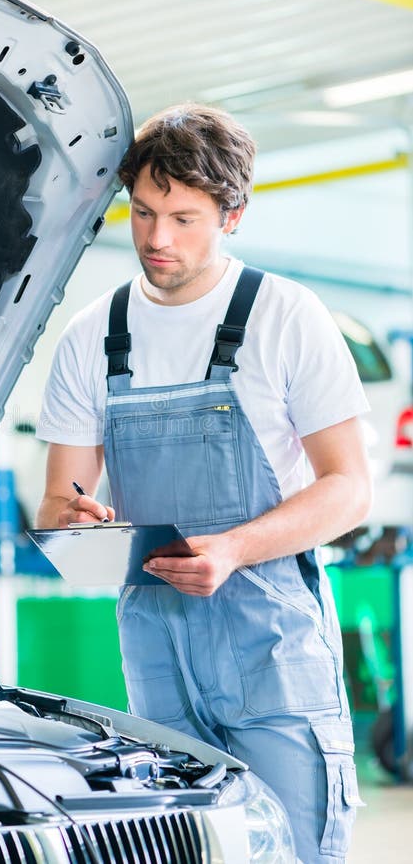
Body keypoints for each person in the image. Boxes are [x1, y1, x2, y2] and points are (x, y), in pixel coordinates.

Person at [35, 103, 371, 862]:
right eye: (144, 213)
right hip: (154, 646)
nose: (157, 240)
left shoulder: (283, 315)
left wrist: (233, 549)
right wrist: (75, 526)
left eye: (184, 218)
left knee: (295, 848)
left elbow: (348, 488)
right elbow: (57, 503)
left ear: (232, 216)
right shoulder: (93, 333)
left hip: (270, 644)